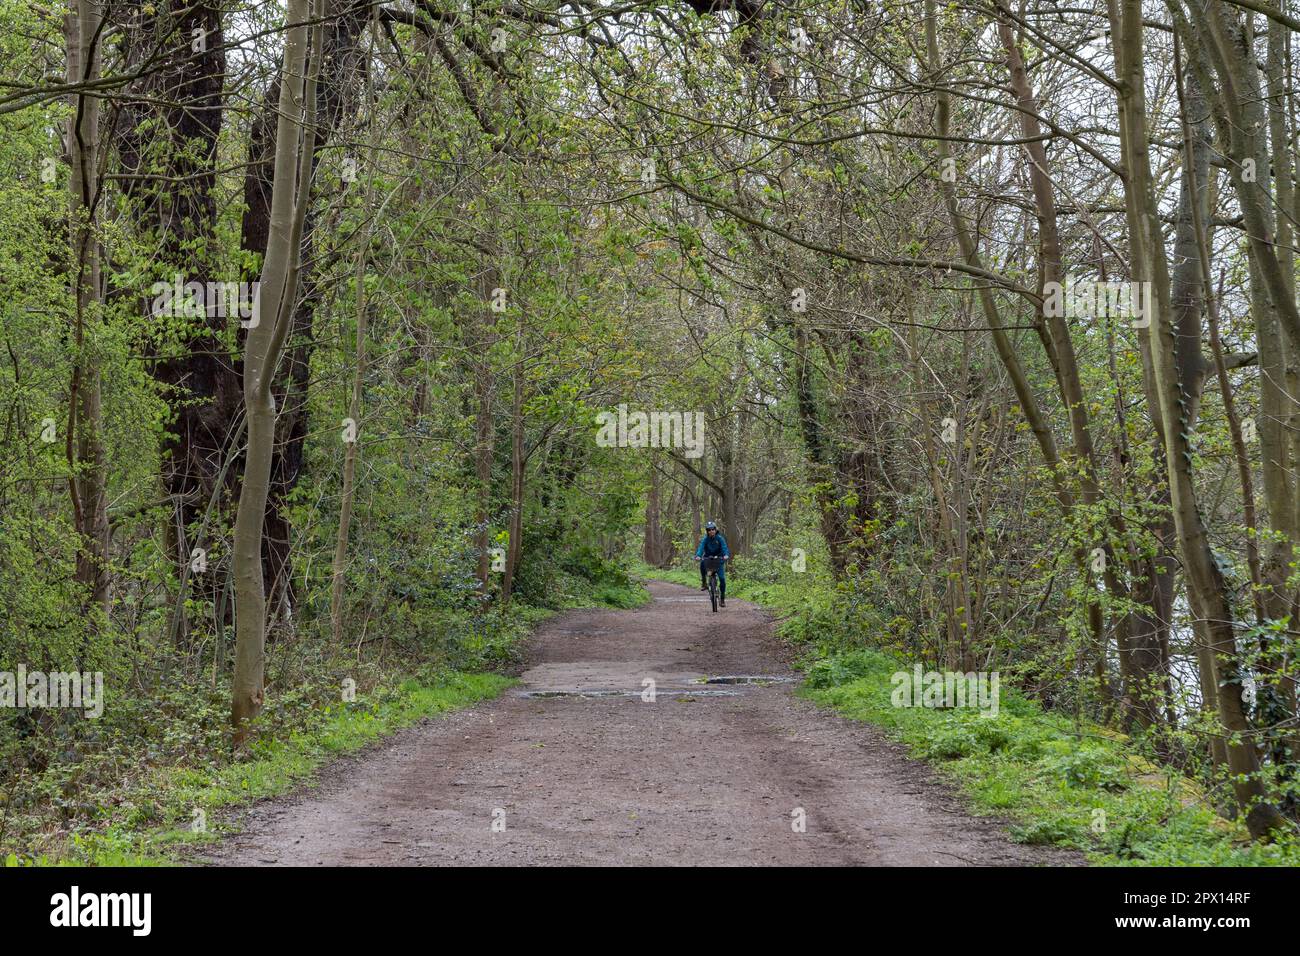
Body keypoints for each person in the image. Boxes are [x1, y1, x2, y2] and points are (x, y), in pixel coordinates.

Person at [694, 521, 730, 607]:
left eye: (713, 529)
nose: (711, 531)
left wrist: (725, 555)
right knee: (702, 563)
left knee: (722, 579)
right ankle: (704, 583)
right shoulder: (705, 539)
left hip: (719, 560)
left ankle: (722, 599)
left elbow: (724, 547)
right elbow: (701, 548)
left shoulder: (720, 539)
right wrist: (698, 555)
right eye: (709, 530)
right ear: (707, 531)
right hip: (708, 559)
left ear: (715, 530)